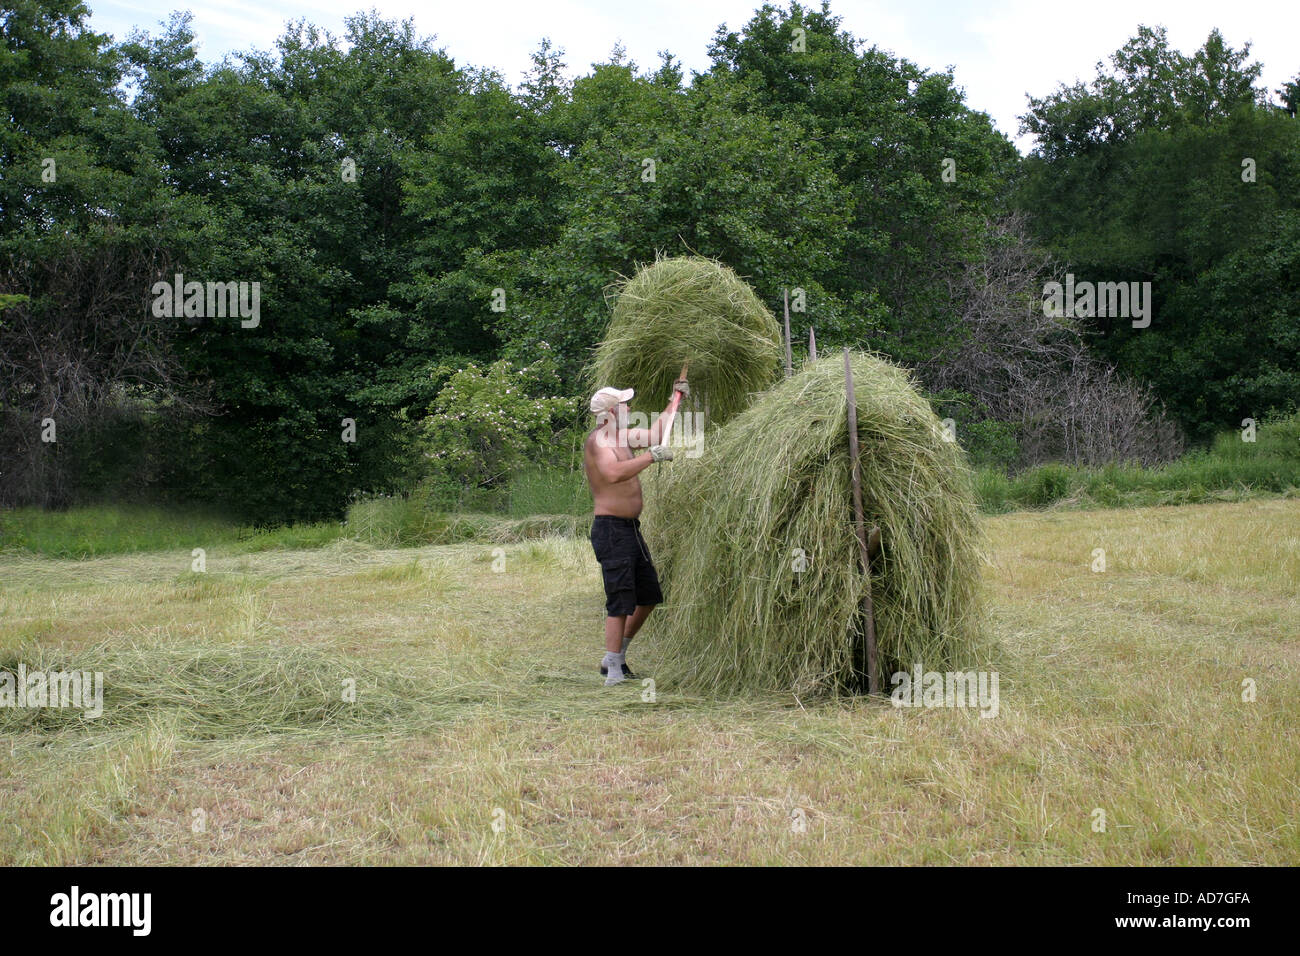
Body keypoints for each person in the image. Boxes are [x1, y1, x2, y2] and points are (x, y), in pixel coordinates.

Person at [583, 377, 688, 685]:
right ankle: (613, 672)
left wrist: (675, 399)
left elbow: (657, 433)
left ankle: (615, 657)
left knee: (649, 595)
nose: (629, 408)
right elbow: (613, 473)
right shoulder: (598, 442)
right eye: (624, 405)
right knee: (620, 599)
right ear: (610, 412)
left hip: (630, 529)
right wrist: (650, 457)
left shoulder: (623, 437)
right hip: (611, 530)